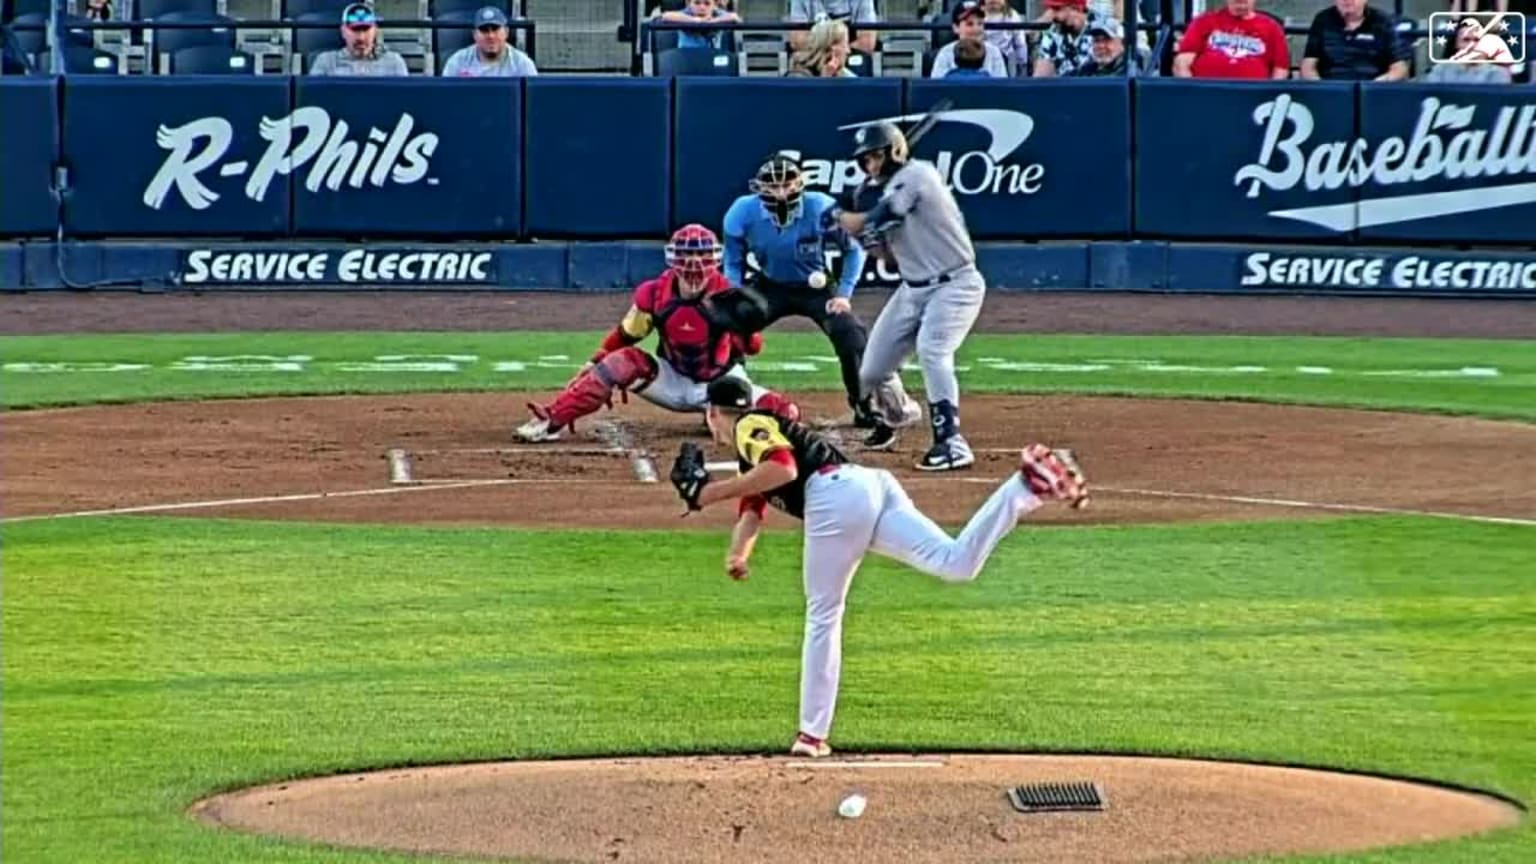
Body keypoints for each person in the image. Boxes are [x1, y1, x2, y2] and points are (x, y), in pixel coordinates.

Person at [668, 375, 1090, 758]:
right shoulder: (752, 450)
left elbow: (783, 468)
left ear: (712, 414)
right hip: (869, 486)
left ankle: (811, 735)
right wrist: (738, 554)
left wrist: (707, 494)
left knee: (824, 613)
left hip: (835, 495)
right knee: (955, 564)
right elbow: (754, 506)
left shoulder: (748, 426)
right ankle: (1023, 486)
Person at [514, 225, 796, 442]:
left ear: (713, 260)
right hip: (670, 379)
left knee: (785, 413)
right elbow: (626, 335)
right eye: (688, 255)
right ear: (674, 260)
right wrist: (593, 364)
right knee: (621, 360)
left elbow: (753, 348)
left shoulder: (730, 297)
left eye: (700, 255)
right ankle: (551, 420)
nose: (694, 264)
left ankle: (724, 415)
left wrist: (745, 324)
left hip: (720, 383)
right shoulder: (655, 295)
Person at [722, 153, 919, 441]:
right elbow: (733, 258)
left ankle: (863, 404)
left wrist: (843, 294)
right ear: (759, 188)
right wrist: (734, 289)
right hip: (769, 285)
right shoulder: (741, 212)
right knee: (728, 324)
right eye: (773, 186)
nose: (780, 192)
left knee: (850, 334)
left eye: (787, 184)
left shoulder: (820, 208)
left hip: (815, 287)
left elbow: (853, 249)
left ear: (800, 183)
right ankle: (729, 400)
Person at [834, 123, 987, 471]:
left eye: (875, 157)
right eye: (866, 160)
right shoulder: (884, 190)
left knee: (934, 351)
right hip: (913, 288)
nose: (871, 166)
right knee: (871, 370)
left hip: (956, 284)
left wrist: (843, 217)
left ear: (894, 151)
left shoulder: (919, 175)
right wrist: (865, 235)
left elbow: (883, 214)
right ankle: (898, 414)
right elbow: (888, 254)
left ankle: (951, 441)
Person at [1173, 0, 1290, 79]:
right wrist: (1194, 93)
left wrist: (1267, 97)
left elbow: (1280, 70)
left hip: (1252, 98)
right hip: (1206, 95)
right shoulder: (1203, 22)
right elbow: (1181, 64)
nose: (1240, 4)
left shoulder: (1271, 27)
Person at [1299, 0, 1411, 81]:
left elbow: (1399, 67)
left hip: (1372, 91)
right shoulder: (1322, 20)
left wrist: (1379, 84)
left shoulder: (1383, 21)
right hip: (1331, 89)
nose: (1347, 0)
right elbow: (1308, 65)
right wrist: (1320, 86)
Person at [308, 3, 409, 77]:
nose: (361, 37)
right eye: (355, 30)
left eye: (366, 30)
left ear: (375, 31)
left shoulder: (393, 62)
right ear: (343, 31)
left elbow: (404, 100)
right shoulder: (326, 62)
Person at [441, 6, 538, 77]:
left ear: (506, 32)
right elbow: (445, 97)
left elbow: (533, 99)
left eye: (495, 29)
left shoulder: (521, 63)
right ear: (474, 35)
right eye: (484, 30)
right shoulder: (458, 61)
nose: (491, 36)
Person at [930, 0, 1009, 78]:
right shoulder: (945, 53)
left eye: (980, 23)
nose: (976, 29)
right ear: (956, 28)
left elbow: (1001, 88)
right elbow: (937, 88)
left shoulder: (994, 52)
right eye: (969, 24)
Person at [786, 18, 857, 76]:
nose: (848, 51)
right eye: (845, 45)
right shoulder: (798, 76)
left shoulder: (843, 74)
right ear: (832, 48)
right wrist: (825, 79)